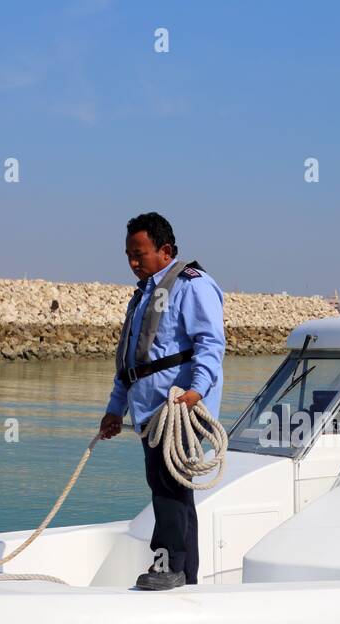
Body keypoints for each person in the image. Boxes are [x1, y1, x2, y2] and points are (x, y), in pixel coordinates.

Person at [98, 213, 225, 591]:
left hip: (180, 410)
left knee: (170, 489)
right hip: (148, 411)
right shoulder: (142, 296)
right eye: (128, 255)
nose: (133, 262)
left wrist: (197, 391)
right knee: (167, 487)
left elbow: (210, 344)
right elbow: (132, 362)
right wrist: (114, 408)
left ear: (165, 250)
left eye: (139, 254)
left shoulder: (193, 286)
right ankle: (184, 574)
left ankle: (169, 566)